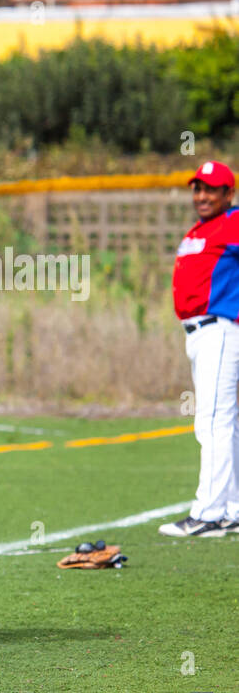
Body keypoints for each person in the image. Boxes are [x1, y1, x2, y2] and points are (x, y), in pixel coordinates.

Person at [158, 160, 239, 538]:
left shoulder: (233, 221)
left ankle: (207, 515)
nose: (202, 195)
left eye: (210, 189)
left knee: (212, 421)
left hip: (218, 329)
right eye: (197, 188)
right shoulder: (200, 230)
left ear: (228, 193)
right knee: (225, 423)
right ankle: (232, 509)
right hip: (199, 334)